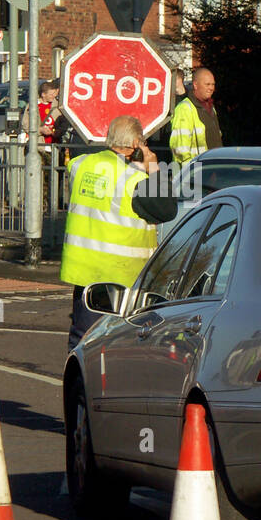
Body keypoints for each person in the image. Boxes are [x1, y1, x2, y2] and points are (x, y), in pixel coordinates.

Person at [61, 115, 173, 350]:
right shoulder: (136, 181)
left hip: (85, 274)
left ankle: (78, 385)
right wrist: (154, 169)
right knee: (120, 345)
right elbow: (166, 209)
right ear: (135, 144)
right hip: (122, 280)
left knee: (83, 342)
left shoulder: (80, 166)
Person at [169, 66, 222, 164]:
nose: (211, 88)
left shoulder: (211, 108)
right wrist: (193, 175)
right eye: (207, 84)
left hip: (213, 171)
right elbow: (180, 151)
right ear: (195, 85)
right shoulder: (184, 108)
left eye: (213, 85)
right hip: (195, 174)